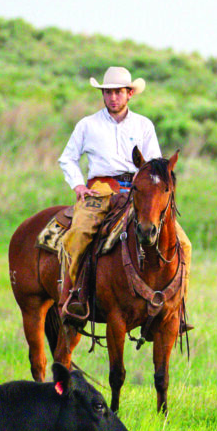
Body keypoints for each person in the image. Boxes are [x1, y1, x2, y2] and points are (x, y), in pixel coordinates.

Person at [55, 66, 161, 322]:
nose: (113, 97)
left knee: (181, 242)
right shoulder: (87, 125)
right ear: (103, 95)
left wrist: (144, 181)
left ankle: (174, 307)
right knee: (79, 231)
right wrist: (78, 185)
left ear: (129, 94)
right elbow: (67, 159)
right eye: (108, 92)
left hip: (138, 188)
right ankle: (72, 296)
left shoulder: (143, 125)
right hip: (100, 187)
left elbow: (155, 162)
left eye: (118, 92)